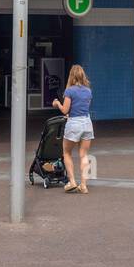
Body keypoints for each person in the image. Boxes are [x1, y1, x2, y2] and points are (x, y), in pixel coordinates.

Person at [52, 64, 94, 193]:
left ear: (71, 76)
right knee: (84, 155)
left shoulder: (69, 91)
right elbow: (84, 108)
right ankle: (84, 185)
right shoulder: (88, 91)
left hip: (74, 123)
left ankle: (72, 182)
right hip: (87, 122)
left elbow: (65, 110)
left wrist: (57, 103)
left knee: (67, 153)